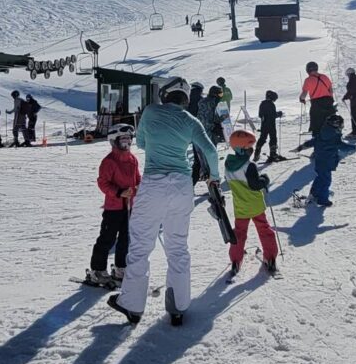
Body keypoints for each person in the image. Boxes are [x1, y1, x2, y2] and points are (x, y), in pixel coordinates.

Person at [110, 77, 220, 326]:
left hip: (154, 182)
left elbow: (141, 143)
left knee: (140, 245)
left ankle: (132, 305)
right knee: (178, 247)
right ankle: (178, 306)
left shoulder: (150, 111)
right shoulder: (190, 121)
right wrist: (214, 178)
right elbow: (211, 151)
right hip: (182, 186)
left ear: (165, 95)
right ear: (185, 98)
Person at [86, 123, 140, 288]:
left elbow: (137, 179)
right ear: (114, 141)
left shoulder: (132, 160)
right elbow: (103, 183)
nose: (126, 143)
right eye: (123, 140)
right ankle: (97, 270)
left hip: (128, 207)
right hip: (113, 208)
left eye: (128, 140)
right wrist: (118, 192)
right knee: (107, 239)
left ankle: (120, 268)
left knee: (125, 239)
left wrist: (138, 189)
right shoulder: (109, 162)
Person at [224, 129, 278, 276]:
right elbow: (255, 185)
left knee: (239, 233)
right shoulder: (249, 166)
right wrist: (264, 180)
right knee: (264, 229)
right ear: (241, 149)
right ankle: (270, 257)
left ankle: (236, 259)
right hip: (255, 205)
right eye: (250, 148)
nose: (252, 151)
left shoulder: (228, 165)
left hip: (240, 206)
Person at [308, 112, 356, 208]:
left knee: (320, 177)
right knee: (326, 180)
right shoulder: (333, 136)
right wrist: (355, 147)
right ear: (335, 124)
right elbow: (342, 146)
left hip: (321, 160)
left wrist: (303, 146)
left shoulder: (324, 132)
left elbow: (313, 141)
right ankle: (323, 200)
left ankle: (314, 193)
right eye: (341, 124)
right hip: (327, 161)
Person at [300, 62, 336, 141]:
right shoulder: (325, 77)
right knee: (329, 122)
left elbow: (304, 93)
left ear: (308, 70)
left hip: (317, 103)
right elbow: (330, 89)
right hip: (328, 101)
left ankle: (317, 142)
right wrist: (331, 99)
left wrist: (301, 98)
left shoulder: (308, 80)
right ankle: (331, 140)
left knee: (316, 123)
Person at [256, 89, 286, 162]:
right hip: (271, 125)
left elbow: (260, 115)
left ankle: (257, 152)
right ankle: (273, 154)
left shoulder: (262, 104)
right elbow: (272, 115)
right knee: (273, 139)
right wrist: (279, 114)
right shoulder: (271, 104)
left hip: (264, 125)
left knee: (262, 138)